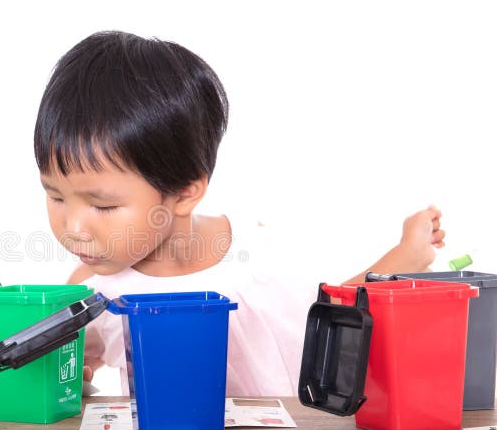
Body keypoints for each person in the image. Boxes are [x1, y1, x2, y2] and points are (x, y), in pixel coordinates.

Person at [33, 31, 446, 397]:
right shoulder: (90, 294)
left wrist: (404, 256)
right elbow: (66, 369)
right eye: (55, 197)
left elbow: (333, 318)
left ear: (184, 192)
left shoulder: (257, 253)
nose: (74, 228)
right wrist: (74, 380)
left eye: (103, 206)